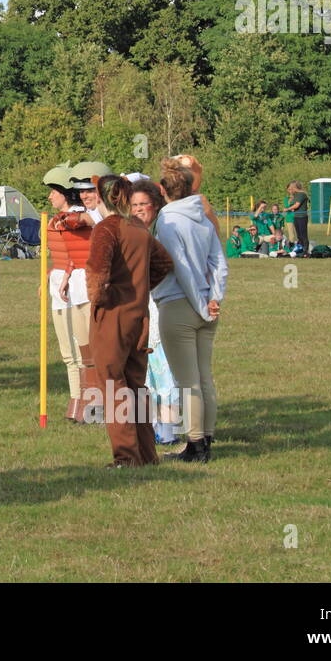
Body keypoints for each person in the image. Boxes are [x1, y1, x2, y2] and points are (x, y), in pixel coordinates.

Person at [84, 175, 174, 467]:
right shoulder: (138, 228)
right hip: (140, 314)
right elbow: (164, 264)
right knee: (136, 385)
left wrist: (100, 300)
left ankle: (125, 456)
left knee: (112, 385)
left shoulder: (106, 229)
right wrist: (141, 286)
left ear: (101, 198)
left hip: (113, 315)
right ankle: (147, 454)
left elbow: (97, 274)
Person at [152, 160, 229, 463]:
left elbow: (180, 266)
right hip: (206, 304)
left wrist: (201, 302)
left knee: (187, 381)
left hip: (179, 303)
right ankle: (205, 437)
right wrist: (214, 298)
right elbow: (219, 263)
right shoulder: (203, 217)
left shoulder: (168, 220)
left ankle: (196, 445)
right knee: (204, 377)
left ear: (162, 190)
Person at [42, 162, 97, 422]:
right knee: (69, 352)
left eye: (54, 190)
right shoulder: (59, 220)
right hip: (64, 286)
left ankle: (87, 402)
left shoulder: (82, 217)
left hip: (80, 287)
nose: (50, 196)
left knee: (82, 350)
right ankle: (78, 398)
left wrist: (63, 273)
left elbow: (79, 255)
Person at [130, 179, 181, 444]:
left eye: (144, 204)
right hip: (138, 309)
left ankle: (169, 428)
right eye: (134, 205)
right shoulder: (130, 233)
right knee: (144, 371)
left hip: (161, 305)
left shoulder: (164, 231)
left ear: (155, 206)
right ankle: (148, 426)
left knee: (164, 369)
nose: (139, 209)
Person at [285, 181, 310, 255]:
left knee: (303, 234)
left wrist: (288, 209)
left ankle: (305, 250)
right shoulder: (296, 195)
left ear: (294, 187)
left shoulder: (301, 194)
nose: (289, 191)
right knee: (299, 235)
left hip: (302, 217)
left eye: (290, 189)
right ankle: (301, 248)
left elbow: (297, 205)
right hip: (296, 216)